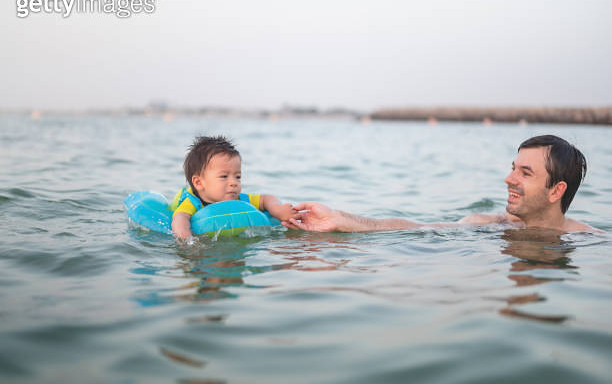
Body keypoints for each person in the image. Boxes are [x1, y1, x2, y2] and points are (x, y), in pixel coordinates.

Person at [283, 135, 600, 234]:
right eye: (512, 168)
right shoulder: (488, 224)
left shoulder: (591, 241)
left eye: (525, 173)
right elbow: (417, 227)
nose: (509, 179)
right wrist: (342, 219)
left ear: (556, 190)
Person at [171, 135, 297, 239]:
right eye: (224, 176)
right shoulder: (192, 203)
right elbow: (180, 219)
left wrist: (277, 209)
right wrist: (188, 241)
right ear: (199, 183)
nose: (234, 183)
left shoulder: (238, 199)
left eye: (237, 177)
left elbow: (266, 199)